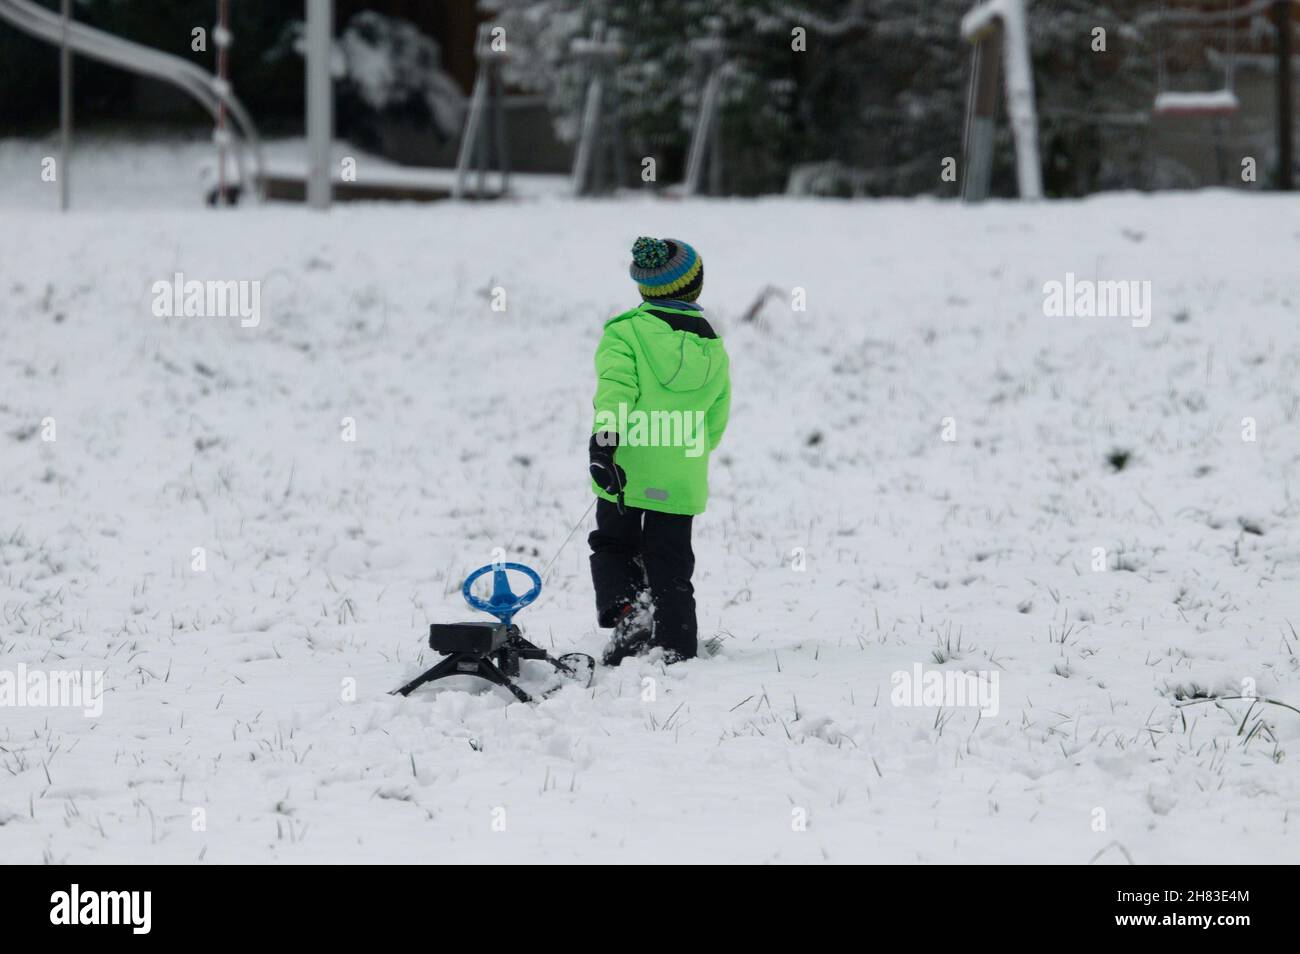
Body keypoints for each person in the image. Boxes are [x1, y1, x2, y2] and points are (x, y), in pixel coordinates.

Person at [587, 236, 731, 665]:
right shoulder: (712, 344)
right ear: (695, 287)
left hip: (627, 468)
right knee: (671, 560)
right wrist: (691, 451)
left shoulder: (625, 333)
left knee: (613, 542)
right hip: (681, 471)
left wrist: (604, 444)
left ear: (644, 287)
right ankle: (677, 641)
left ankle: (630, 615)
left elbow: (616, 392)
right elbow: (717, 413)